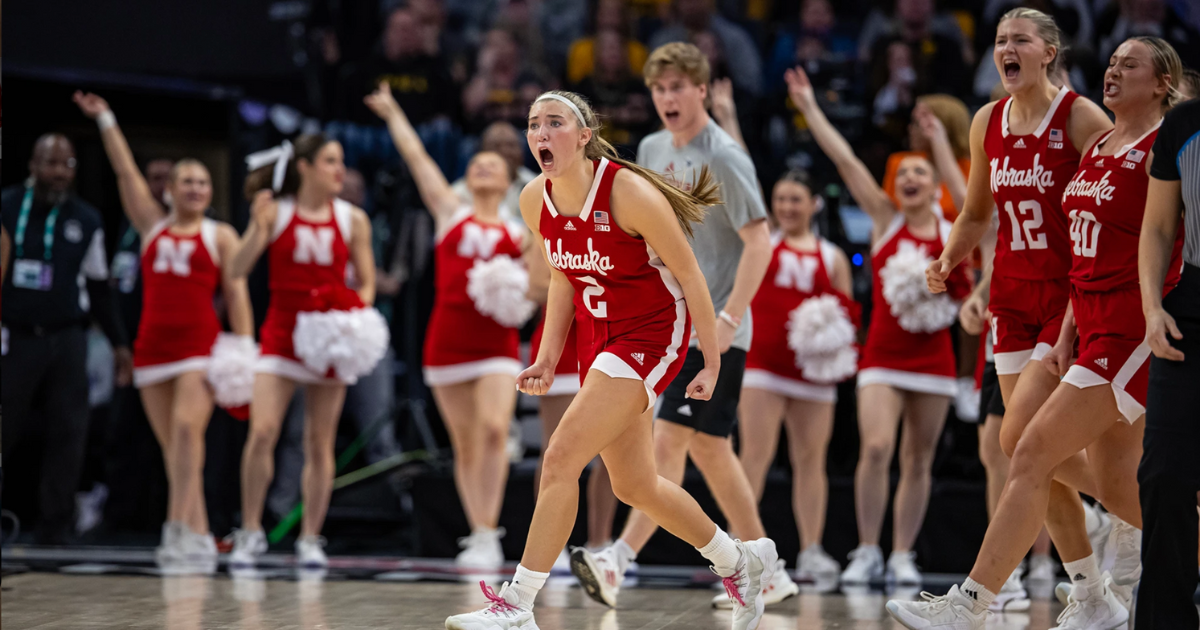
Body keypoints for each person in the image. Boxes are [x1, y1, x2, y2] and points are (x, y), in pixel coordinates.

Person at [444, 88, 778, 630]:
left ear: (584, 137)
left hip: (652, 334)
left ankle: (517, 604)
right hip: (598, 338)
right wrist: (548, 355)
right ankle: (740, 561)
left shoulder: (628, 192)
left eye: (554, 122)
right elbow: (561, 274)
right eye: (534, 124)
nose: (541, 133)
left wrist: (711, 362)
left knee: (559, 457)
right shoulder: (535, 198)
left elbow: (691, 275)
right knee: (635, 485)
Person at [885, 34, 1184, 630]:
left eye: (1131, 65)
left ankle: (971, 604)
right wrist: (1071, 325)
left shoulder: (1163, 148)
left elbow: (1163, 244)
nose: (1115, 69)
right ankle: (1097, 590)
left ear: (1162, 85)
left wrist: (1157, 309)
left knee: (1029, 451)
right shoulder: (1100, 143)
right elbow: (1082, 250)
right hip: (1082, 316)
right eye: (1114, 61)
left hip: (1130, 326)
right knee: (1121, 488)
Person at [571, 42, 784, 609]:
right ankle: (771, 568)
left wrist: (731, 317)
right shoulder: (650, 147)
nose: (667, 98)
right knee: (712, 449)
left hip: (712, 326)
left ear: (702, 90)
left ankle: (617, 560)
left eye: (676, 88)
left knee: (668, 444)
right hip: (665, 323)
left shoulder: (726, 155)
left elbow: (760, 242)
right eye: (658, 89)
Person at [922, 5, 1116, 611]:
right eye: (1000, 40)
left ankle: (1127, 507)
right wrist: (949, 259)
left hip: (1063, 303)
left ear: (1048, 51)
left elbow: (1111, 213)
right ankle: (1090, 591)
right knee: (1035, 455)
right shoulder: (987, 121)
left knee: (1021, 443)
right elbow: (978, 211)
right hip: (1010, 297)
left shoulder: (1083, 118)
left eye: (1020, 40)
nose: (1006, 49)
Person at [789, 65, 971, 586]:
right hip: (883, 356)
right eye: (903, 173)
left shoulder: (953, 226)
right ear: (895, 184)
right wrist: (809, 108)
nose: (911, 178)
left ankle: (902, 555)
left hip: (933, 359)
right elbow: (845, 161)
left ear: (934, 183)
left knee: (919, 458)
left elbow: (970, 197)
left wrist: (937, 142)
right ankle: (868, 549)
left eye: (922, 173)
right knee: (875, 448)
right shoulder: (885, 220)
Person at [73, 92, 256, 572]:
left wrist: (243, 346)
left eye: (203, 182)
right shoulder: (152, 227)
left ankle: (175, 528)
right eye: (187, 182)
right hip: (152, 349)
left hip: (199, 348)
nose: (196, 188)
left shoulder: (220, 236)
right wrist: (107, 119)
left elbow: (237, 295)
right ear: (170, 190)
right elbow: (125, 173)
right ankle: (197, 533)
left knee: (186, 433)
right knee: (173, 447)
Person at [365, 82, 524, 570]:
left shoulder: (523, 229)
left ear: (508, 179)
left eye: (492, 166)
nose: (482, 168)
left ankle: (489, 529)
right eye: (476, 163)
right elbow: (417, 159)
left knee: (496, 430)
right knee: (466, 442)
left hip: (497, 344)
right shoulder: (448, 213)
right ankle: (477, 532)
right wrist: (393, 112)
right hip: (448, 344)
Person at [226, 133, 381, 570]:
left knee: (319, 440)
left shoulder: (353, 220)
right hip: (281, 332)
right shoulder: (277, 212)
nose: (340, 170)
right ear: (305, 167)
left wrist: (352, 317)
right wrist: (257, 227)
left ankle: (311, 537)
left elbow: (367, 282)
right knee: (263, 431)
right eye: (331, 161)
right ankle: (251, 530)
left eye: (342, 161)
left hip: (328, 337)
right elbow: (236, 269)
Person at [1, 133, 132, 545]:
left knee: (69, 432)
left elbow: (98, 289)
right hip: (13, 337)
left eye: (67, 165)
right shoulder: (5, 207)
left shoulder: (87, 218)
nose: (59, 173)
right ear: (32, 165)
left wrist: (119, 344)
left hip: (66, 338)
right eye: (51, 163)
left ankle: (54, 529)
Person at [737, 170, 854, 582]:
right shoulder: (760, 243)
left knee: (810, 461)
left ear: (814, 204)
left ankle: (811, 549)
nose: (787, 207)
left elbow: (847, 316)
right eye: (781, 199)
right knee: (755, 456)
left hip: (812, 375)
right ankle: (740, 551)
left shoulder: (832, 256)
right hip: (763, 367)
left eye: (796, 200)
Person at [1137, 72, 1200, 630]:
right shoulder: (1183, 122)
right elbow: (1157, 227)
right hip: (1190, 316)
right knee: (1163, 473)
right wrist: (1152, 307)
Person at [524, 244, 616, 564]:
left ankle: (600, 544)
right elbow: (536, 285)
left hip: (609, 342)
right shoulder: (549, 226)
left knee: (612, 455)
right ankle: (550, 551)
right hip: (562, 346)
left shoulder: (622, 213)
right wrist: (589, 283)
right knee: (557, 450)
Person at [883, 95, 972, 222]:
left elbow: (971, 214)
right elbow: (887, 215)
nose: (910, 128)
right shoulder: (900, 163)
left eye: (916, 123)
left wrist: (938, 139)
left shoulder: (973, 169)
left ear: (944, 127)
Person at [450, 122, 538, 222]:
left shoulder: (539, 186)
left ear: (522, 151)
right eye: (496, 146)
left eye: (511, 145)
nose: (505, 152)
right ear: (482, 152)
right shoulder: (458, 193)